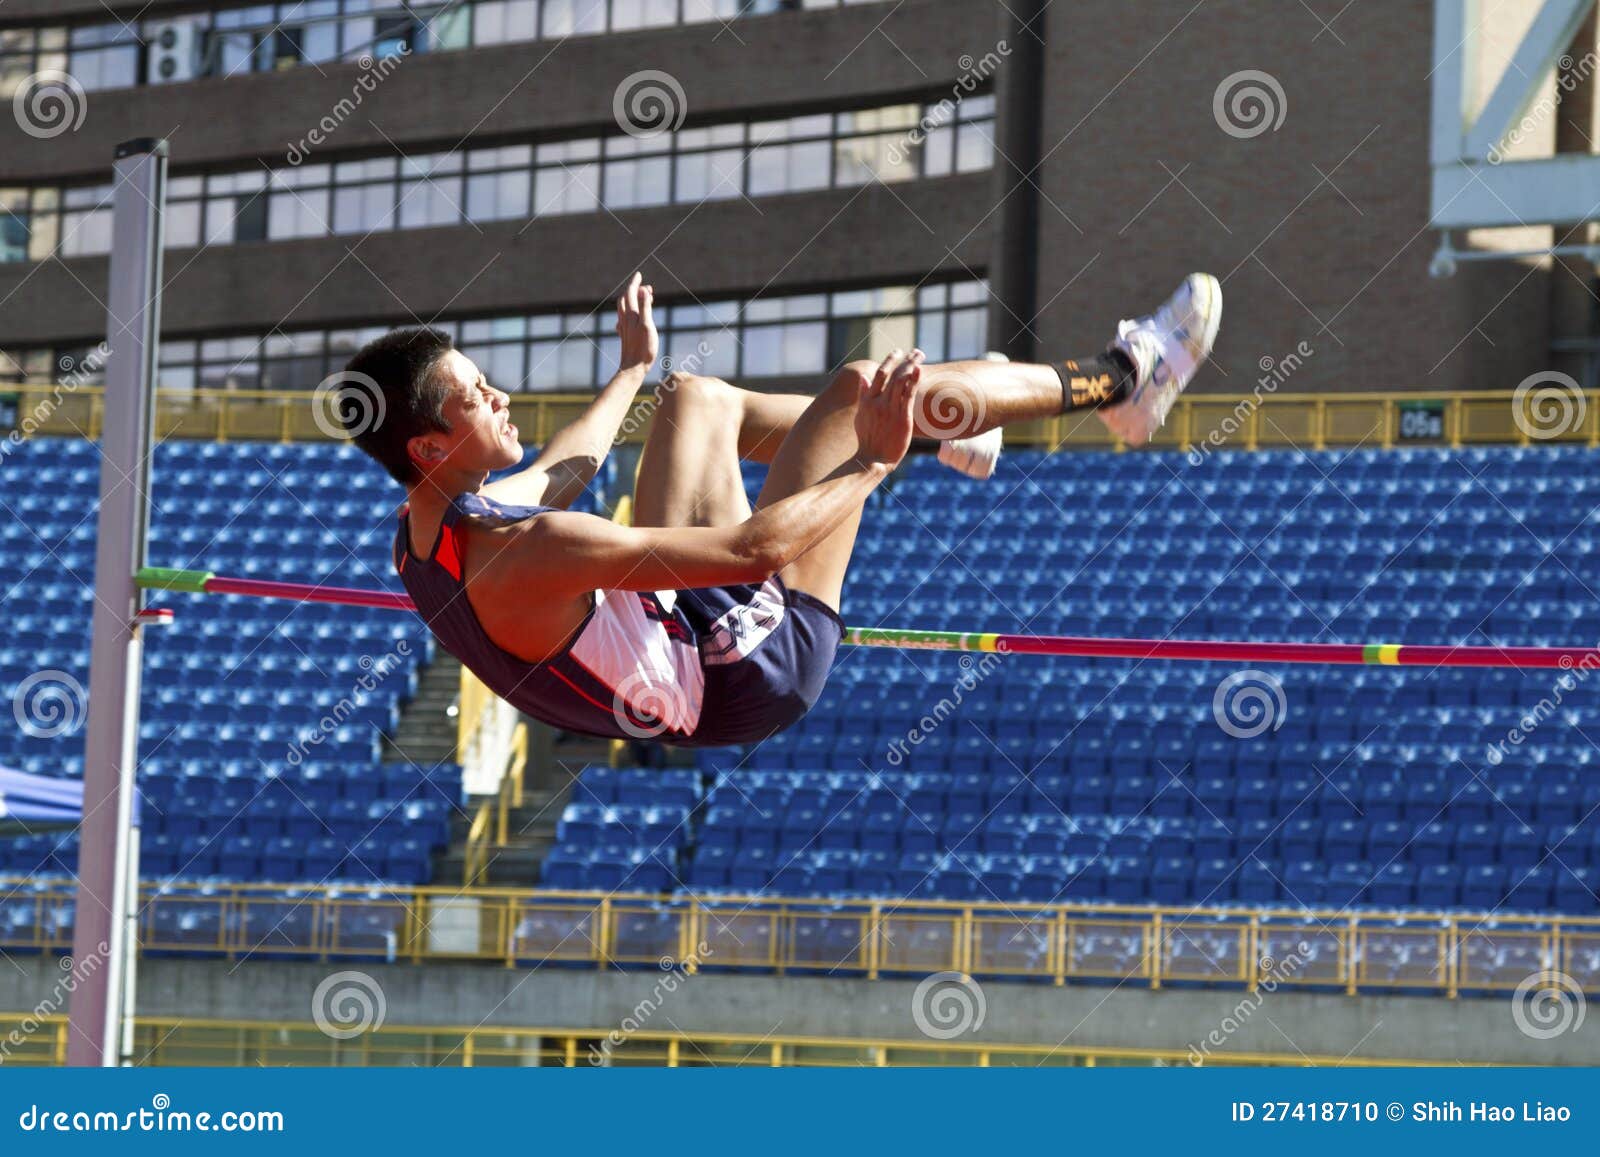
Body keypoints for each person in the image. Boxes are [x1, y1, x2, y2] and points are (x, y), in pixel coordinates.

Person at [342, 272, 1221, 745]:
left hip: (682, 639)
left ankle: (951, 421)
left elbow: (565, 472)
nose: (499, 394)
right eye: (474, 394)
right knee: (864, 391)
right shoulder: (526, 551)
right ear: (427, 445)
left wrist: (631, 371)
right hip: (748, 675)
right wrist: (875, 463)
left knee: (695, 399)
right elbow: (755, 550)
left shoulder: (425, 531)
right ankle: (1125, 381)